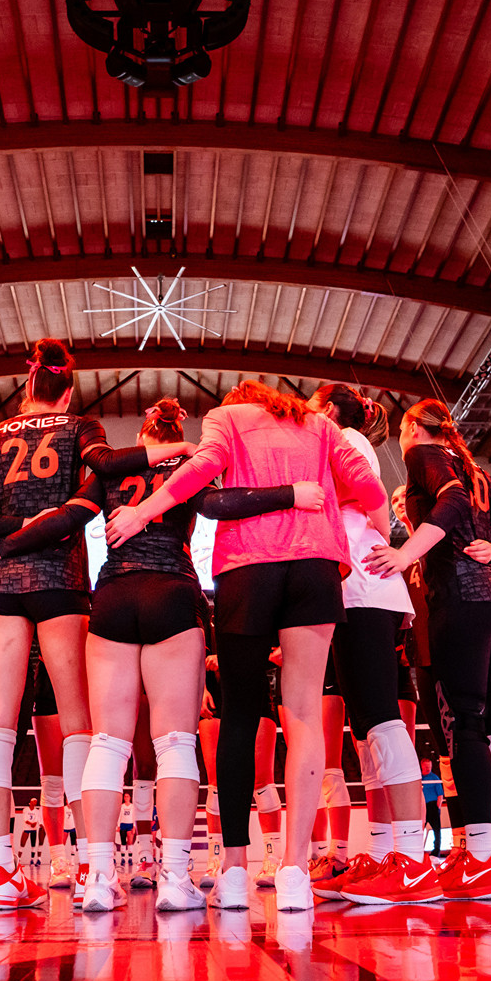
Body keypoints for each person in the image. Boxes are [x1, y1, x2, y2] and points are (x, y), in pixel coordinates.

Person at [0, 397, 302, 912]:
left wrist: (4, 545)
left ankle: (99, 876)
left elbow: (68, 518)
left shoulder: (116, 471)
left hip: (111, 594)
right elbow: (225, 505)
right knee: (176, 741)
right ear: (177, 430)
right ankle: (176, 878)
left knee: (108, 744)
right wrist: (292, 496)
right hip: (172, 592)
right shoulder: (189, 465)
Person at [107, 380, 388, 914]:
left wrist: (144, 513)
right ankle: (294, 872)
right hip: (314, 567)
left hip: (245, 571)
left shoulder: (227, 417)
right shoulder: (321, 426)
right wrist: (386, 532)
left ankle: (234, 872)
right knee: (303, 715)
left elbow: (198, 472)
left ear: (241, 397)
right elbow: (367, 484)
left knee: (238, 718)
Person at [0, 340, 191, 906]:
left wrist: (6, 539)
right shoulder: (82, 425)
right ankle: (87, 866)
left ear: (28, 381)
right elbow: (91, 490)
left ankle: (1, 872)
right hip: (61, 580)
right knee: (81, 723)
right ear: (69, 386)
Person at [364, 399, 491, 900]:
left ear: (412, 428)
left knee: (464, 727)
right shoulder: (477, 469)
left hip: (462, 599)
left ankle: (480, 859)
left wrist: (404, 552)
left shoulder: (425, 453)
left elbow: (454, 503)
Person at [302, 385, 433, 907]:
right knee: (365, 731)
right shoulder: (341, 442)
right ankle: (385, 856)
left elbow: (373, 504)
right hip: (352, 591)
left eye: (311, 403)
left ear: (329, 410)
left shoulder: (345, 439)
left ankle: (413, 862)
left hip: (366, 587)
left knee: (381, 720)